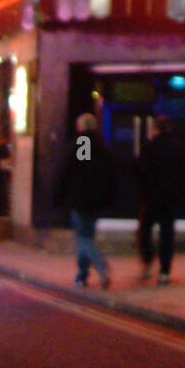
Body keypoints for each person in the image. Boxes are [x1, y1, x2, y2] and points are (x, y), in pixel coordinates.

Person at [54, 113, 115, 289]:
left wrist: (61, 194)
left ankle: (102, 267)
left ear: (82, 126)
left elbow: (81, 170)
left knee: (83, 238)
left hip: (82, 199)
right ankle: (82, 276)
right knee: (86, 236)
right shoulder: (102, 144)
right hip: (96, 200)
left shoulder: (84, 143)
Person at [138, 115, 183, 285]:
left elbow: (141, 171)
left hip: (151, 196)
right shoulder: (177, 146)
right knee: (167, 233)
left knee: (145, 230)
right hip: (170, 197)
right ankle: (165, 270)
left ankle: (148, 262)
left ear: (155, 128)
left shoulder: (150, 146)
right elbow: (183, 171)